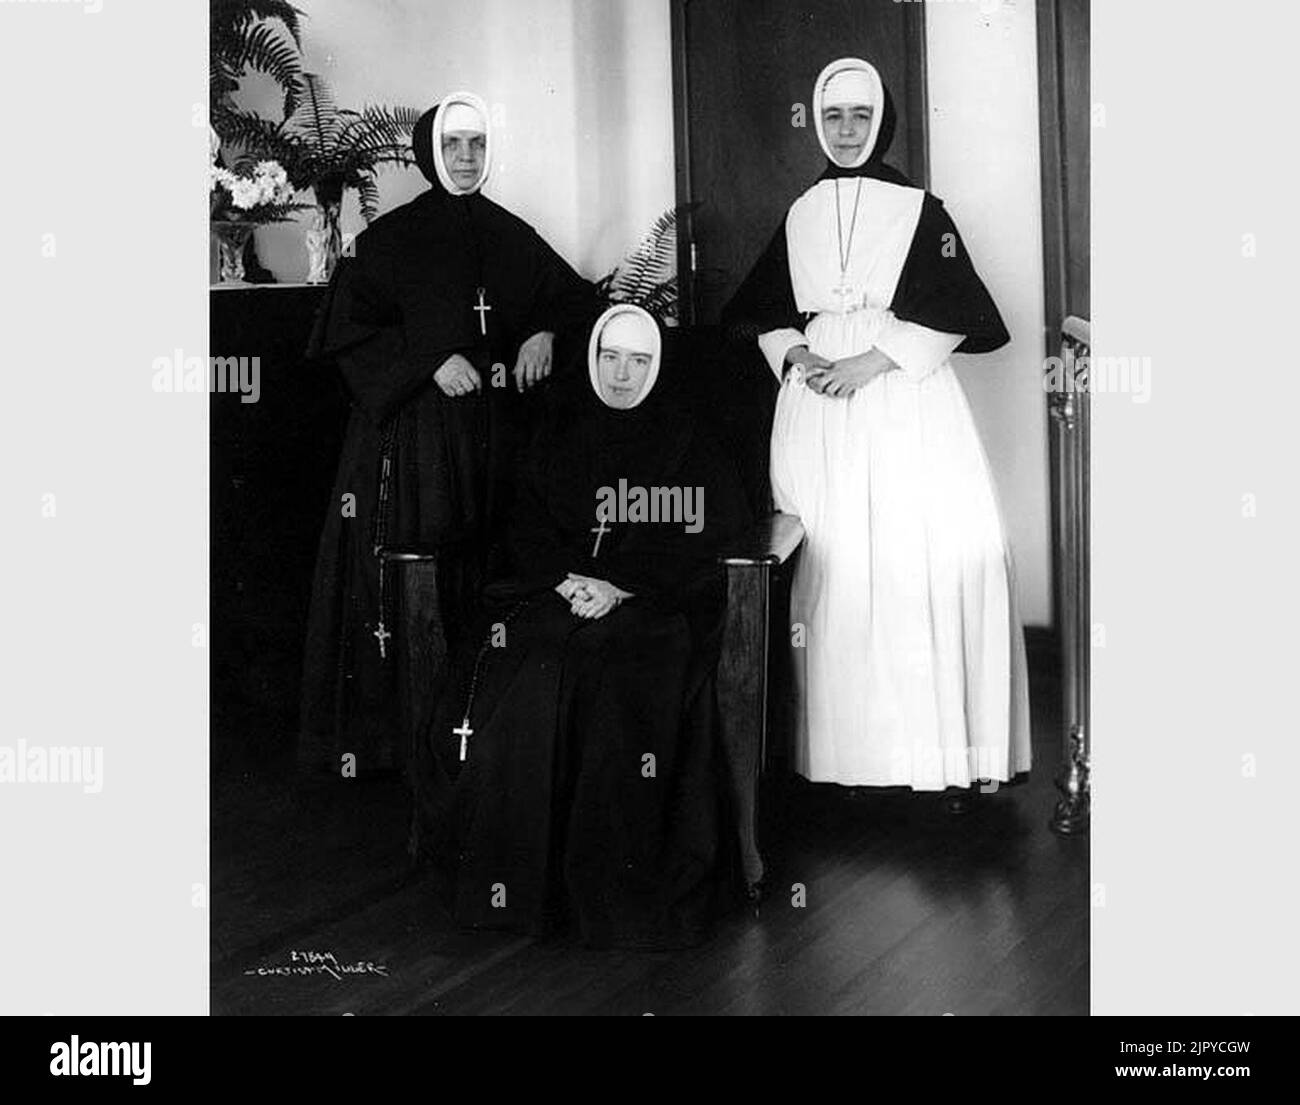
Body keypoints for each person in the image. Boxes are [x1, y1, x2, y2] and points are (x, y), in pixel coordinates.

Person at [723, 58, 1031, 793]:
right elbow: (763, 309)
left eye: (860, 117)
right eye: (834, 118)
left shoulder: (921, 210)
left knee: (905, 559)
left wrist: (869, 362)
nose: (847, 130)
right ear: (818, 124)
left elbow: (965, 314)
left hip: (901, 403)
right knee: (833, 568)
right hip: (816, 405)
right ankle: (841, 759)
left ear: (881, 121)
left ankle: (933, 758)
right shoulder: (800, 213)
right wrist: (797, 352)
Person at [410, 304, 752, 948]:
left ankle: (602, 895)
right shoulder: (559, 425)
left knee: (611, 664)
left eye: (639, 360)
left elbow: (709, 539)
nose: (622, 374)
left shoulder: (691, 439)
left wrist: (621, 584)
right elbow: (525, 526)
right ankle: (515, 887)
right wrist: (567, 578)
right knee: (528, 658)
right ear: (593, 358)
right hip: (557, 593)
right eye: (610, 357)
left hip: (654, 605)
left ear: (658, 366)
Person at [299, 92, 597, 774]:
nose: (467, 158)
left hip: (498, 444)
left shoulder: (511, 233)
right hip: (418, 448)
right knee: (426, 583)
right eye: (455, 145)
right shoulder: (391, 240)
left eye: (478, 145)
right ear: (430, 151)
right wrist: (429, 361)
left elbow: (577, 298)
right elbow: (346, 332)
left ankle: (488, 734)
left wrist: (545, 332)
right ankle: (408, 744)